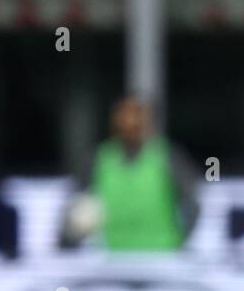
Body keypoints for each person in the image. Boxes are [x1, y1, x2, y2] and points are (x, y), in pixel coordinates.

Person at [74, 96, 197, 251]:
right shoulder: (99, 159)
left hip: (162, 255)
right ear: (115, 123)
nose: (129, 124)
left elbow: (192, 202)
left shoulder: (168, 156)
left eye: (136, 120)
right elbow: (77, 204)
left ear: (146, 123)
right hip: (111, 256)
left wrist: (179, 242)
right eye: (124, 120)